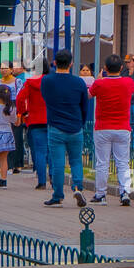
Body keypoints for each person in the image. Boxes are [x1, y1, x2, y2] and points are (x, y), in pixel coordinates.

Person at [40, 49, 90, 208]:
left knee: (57, 163)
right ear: (71, 63)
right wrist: (80, 122)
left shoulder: (47, 81)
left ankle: (58, 196)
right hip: (75, 126)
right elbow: (84, 106)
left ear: (54, 63)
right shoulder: (79, 82)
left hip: (56, 127)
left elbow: (45, 98)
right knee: (76, 161)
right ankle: (77, 188)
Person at [88, 53, 134, 205]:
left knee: (102, 163)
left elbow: (89, 95)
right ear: (121, 68)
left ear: (105, 68)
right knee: (123, 162)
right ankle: (125, 192)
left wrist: (98, 79)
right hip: (123, 127)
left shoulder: (100, 84)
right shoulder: (128, 82)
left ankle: (101, 194)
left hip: (103, 127)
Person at [16, 56, 50, 190]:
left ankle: (42, 182)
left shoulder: (30, 82)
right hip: (52, 120)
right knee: (52, 151)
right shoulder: (51, 81)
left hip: (35, 120)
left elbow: (20, 99)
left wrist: (23, 112)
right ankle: (54, 178)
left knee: (39, 152)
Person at [0, 62, 26, 173]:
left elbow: (20, 98)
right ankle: (4, 164)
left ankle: (17, 164)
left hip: (14, 108)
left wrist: (19, 114)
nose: (3, 70)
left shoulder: (17, 82)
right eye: (1, 68)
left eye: (6, 68)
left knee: (16, 136)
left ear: (11, 69)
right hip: (1, 109)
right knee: (2, 136)